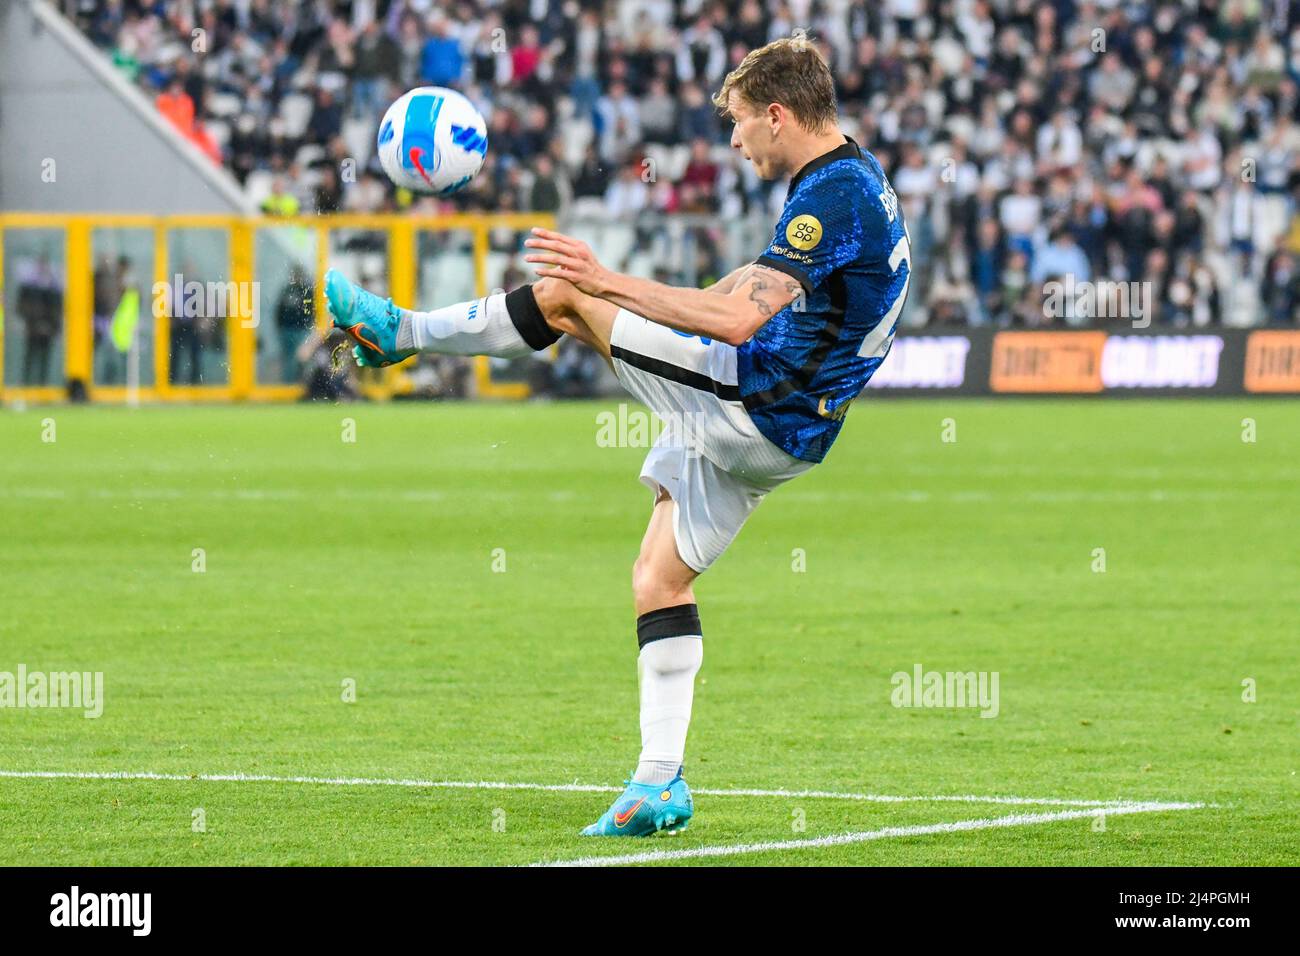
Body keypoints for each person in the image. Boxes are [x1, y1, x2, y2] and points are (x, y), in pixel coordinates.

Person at [323, 38, 911, 837]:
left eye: (740, 123)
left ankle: (402, 333)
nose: (734, 139)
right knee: (657, 580)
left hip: (755, 401)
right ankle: (658, 785)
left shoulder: (832, 192)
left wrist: (608, 286)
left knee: (565, 296)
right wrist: (641, 305)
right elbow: (739, 288)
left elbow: (740, 318)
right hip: (789, 430)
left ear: (779, 115)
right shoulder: (856, 176)